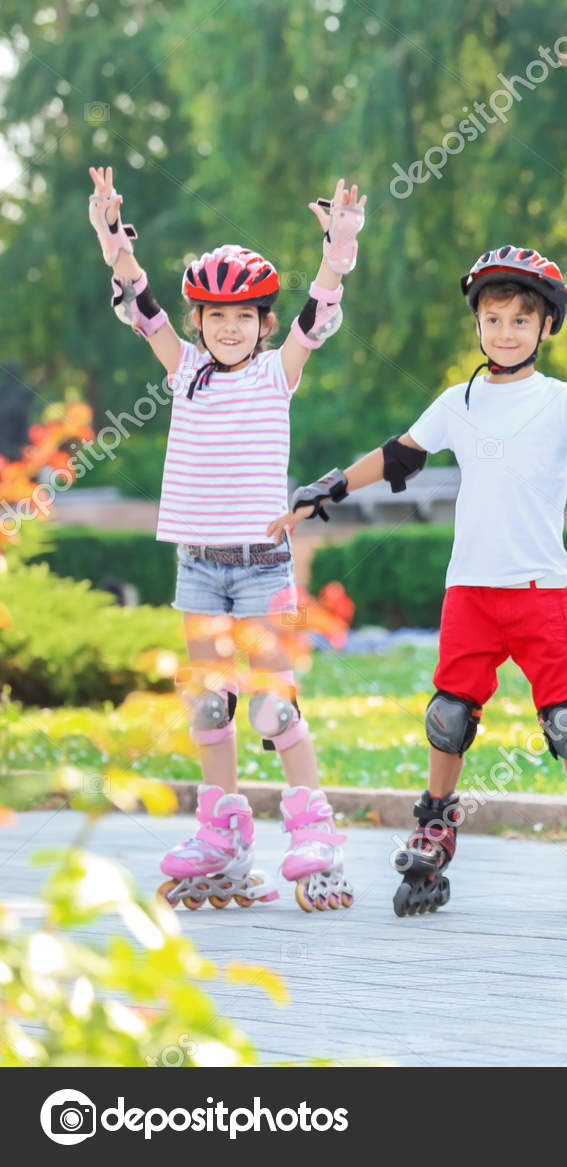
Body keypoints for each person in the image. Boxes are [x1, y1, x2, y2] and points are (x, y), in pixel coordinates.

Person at [270, 245, 567, 919]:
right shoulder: (459, 402)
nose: (505, 330)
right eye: (493, 317)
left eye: (519, 319)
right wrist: (329, 486)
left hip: (540, 590)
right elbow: (400, 453)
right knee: (448, 714)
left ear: (545, 328)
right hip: (471, 591)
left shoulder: (561, 400)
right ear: (477, 325)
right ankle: (435, 821)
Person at [88, 165, 366, 913]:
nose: (230, 326)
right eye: (215, 315)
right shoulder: (185, 374)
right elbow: (141, 307)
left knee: (272, 707)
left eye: (245, 315)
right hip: (199, 569)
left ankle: (314, 829)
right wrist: (114, 238)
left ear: (265, 322)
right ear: (201, 321)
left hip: (260, 566)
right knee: (210, 708)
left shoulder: (279, 372)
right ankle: (224, 834)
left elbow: (321, 309)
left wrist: (338, 248)